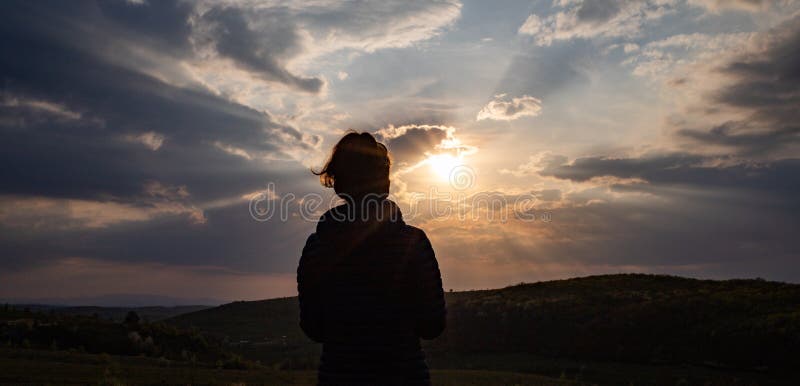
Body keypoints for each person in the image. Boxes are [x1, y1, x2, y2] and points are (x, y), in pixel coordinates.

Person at [297, 131, 446, 386]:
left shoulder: (317, 248)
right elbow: (432, 325)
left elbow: (314, 328)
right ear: (385, 183)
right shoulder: (413, 243)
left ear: (338, 184)